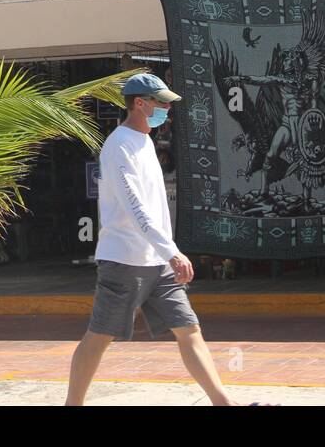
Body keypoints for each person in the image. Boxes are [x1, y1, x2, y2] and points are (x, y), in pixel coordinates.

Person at [66, 72, 239, 406]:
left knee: (189, 330)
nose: (166, 109)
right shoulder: (118, 146)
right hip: (124, 261)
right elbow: (136, 208)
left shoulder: (145, 142)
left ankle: (223, 402)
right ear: (139, 104)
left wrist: (165, 253)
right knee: (100, 337)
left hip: (157, 262)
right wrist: (172, 252)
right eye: (161, 102)